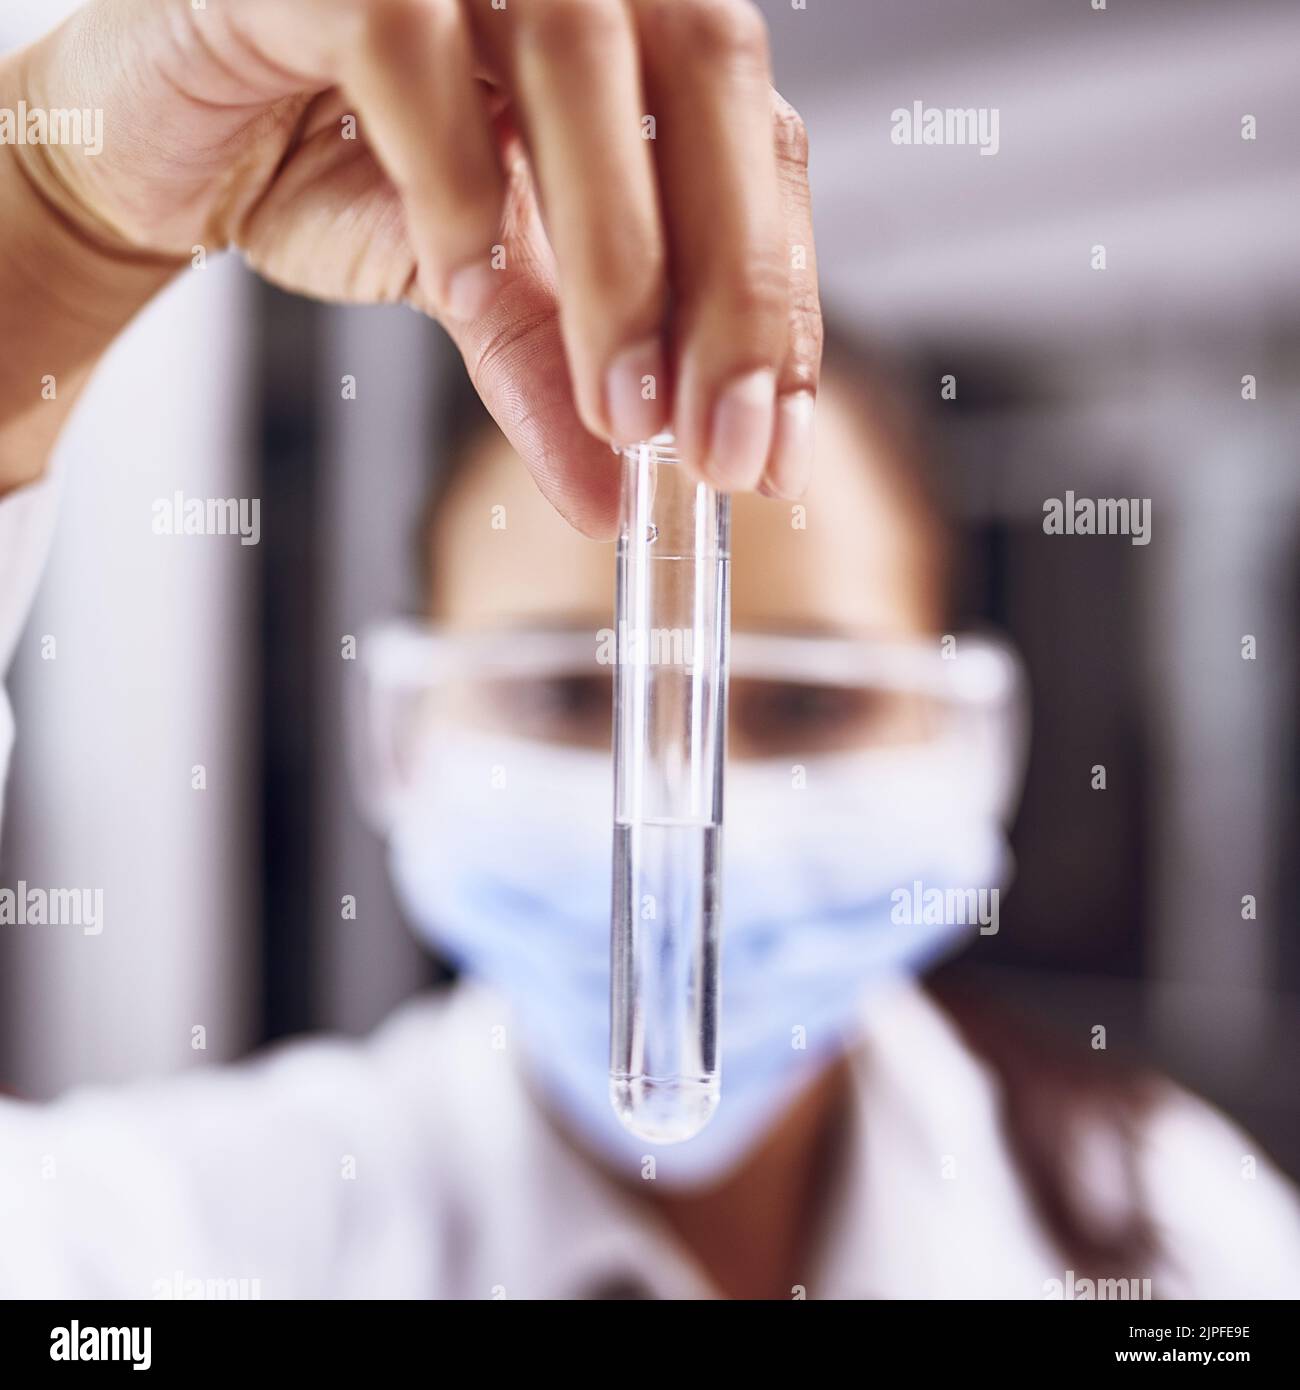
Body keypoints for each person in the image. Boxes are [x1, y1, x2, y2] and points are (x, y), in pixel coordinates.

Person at [0, 1, 1297, 1300]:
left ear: (968, 739)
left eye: (806, 704)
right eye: (566, 690)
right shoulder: (186, 1238)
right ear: (400, 731)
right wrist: (45, 216)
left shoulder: (1184, 1241)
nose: (694, 779)